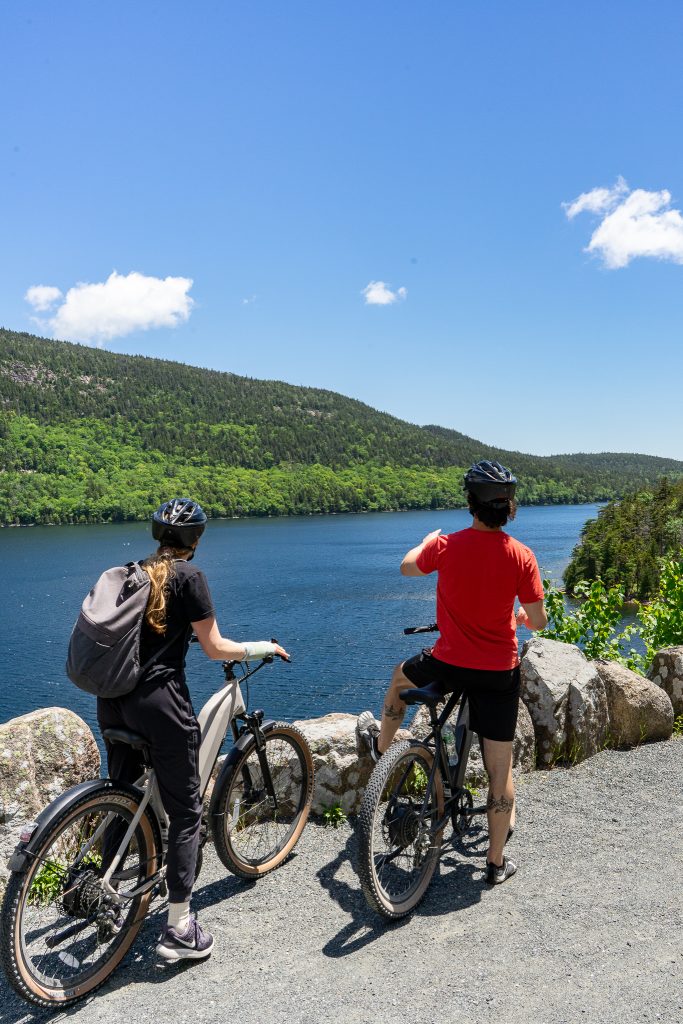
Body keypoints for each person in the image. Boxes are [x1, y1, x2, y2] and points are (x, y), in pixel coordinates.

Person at [97, 497, 289, 961]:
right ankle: (179, 928)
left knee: (121, 793)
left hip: (112, 700)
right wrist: (262, 647)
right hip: (159, 706)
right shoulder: (189, 578)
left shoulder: (131, 573)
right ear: (196, 541)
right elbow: (215, 647)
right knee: (186, 813)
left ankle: (108, 897)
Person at [357, 461, 547, 885]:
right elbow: (539, 620)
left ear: (470, 505)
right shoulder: (522, 556)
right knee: (501, 773)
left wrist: (426, 541)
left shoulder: (446, 546)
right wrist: (518, 619)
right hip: (497, 672)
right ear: (508, 508)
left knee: (399, 678)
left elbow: (407, 566)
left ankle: (384, 750)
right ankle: (495, 865)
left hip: (447, 664)